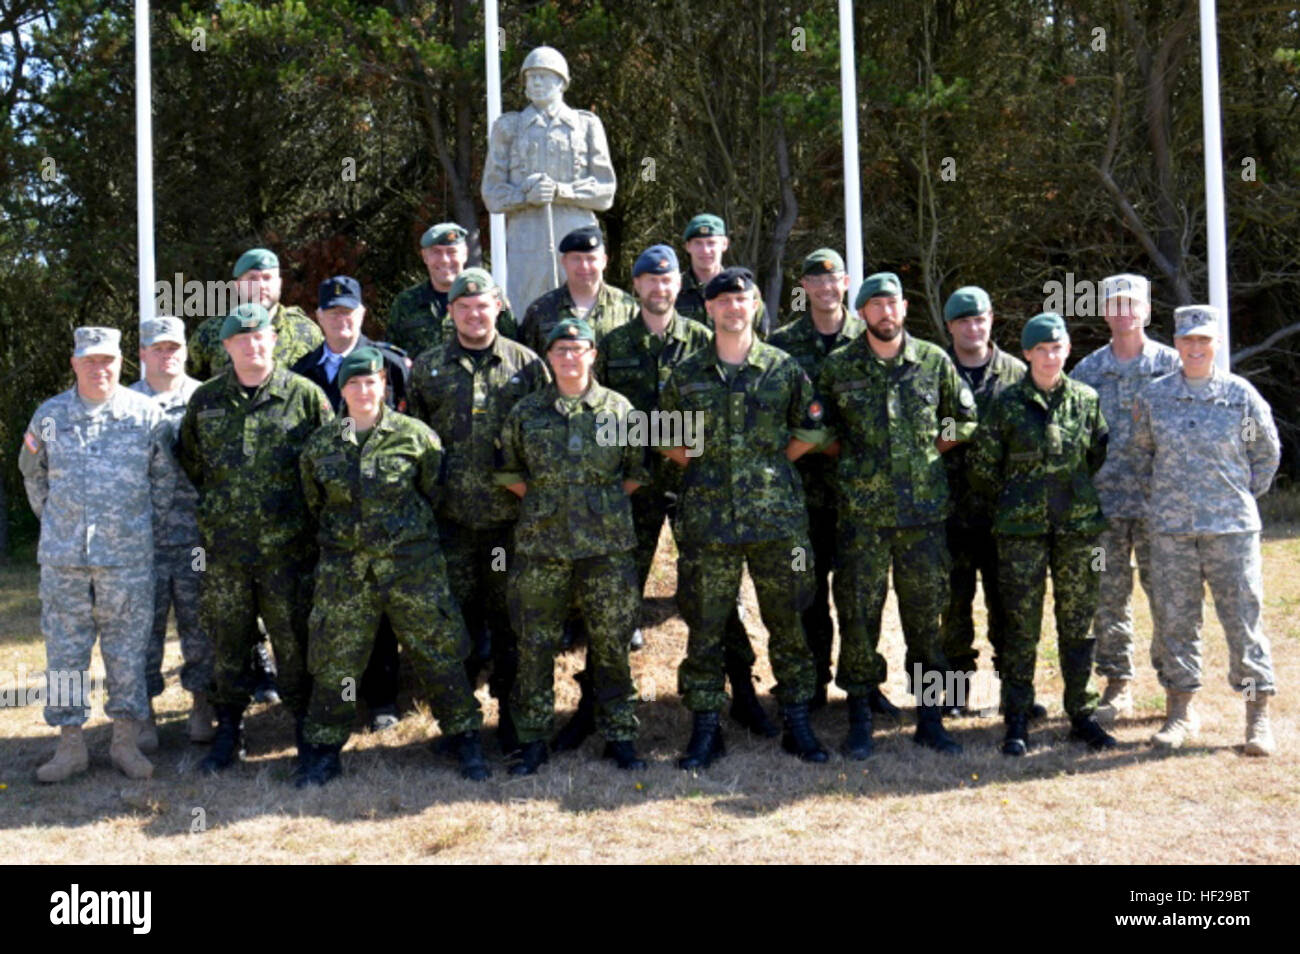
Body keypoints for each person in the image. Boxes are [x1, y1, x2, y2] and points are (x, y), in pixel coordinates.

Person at [592, 244, 775, 738]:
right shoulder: (611, 346)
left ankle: (743, 691)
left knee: (709, 596)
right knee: (615, 596)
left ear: (679, 285)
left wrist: (648, 429)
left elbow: (710, 426)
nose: (658, 287)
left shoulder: (702, 339)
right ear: (635, 286)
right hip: (632, 488)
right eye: (648, 280)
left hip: (698, 487)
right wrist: (653, 436)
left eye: (666, 279)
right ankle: (600, 703)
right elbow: (602, 422)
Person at [659, 266, 830, 769]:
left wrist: (771, 465)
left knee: (789, 621)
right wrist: (710, 467)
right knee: (706, 627)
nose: (734, 307)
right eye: (724, 300)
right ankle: (705, 729)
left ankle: (797, 722)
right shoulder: (686, 375)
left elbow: (814, 430)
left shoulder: (783, 369)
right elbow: (666, 437)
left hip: (777, 523)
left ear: (756, 305)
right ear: (708, 309)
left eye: (743, 299)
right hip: (709, 525)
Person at [296, 348, 489, 785]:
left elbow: (436, 493)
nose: (364, 390)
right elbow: (314, 504)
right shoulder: (321, 445)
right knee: (336, 664)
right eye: (354, 382)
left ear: (384, 384)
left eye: (372, 381)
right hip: (346, 576)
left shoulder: (417, 437)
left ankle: (465, 738)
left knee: (439, 655)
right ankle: (324, 749)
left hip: (413, 570)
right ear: (341, 389)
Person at [816, 272, 976, 758]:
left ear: (905, 308)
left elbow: (963, 417)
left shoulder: (932, 361)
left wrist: (932, 448)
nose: (886, 312)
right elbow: (823, 430)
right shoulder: (840, 367)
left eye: (893, 304)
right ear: (862, 312)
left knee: (926, 619)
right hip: (862, 520)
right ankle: (860, 718)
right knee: (859, 618)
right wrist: (860, 466)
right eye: (876, 305)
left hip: (923, 518)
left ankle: (931, 719)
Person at [177, 304, 333, 773]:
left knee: (295, 645)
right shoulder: (205, 402)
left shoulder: (304, 397)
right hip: (225, 554)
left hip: (289, 554)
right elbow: (193, 462)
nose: (251, 345)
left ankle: (307, 732)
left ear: (273, 340)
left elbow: (326, 464)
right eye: (240, 339)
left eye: (259, 336)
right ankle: (229, 733)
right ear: (226, 347)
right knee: (228, 644)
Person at [19, 327, 175, 781]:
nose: (98, 367)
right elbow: (32, 473)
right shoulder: (49, 415)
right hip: (64, 560)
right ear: (74, 363)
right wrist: (55, 520)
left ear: (121, 361)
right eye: (89, 360)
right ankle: (70, 747)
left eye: (106, 359)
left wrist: (137, 527)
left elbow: (164, 482)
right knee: (65, 651)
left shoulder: (145, 415)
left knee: (127, 650)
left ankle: (124, 742)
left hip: (126, 559)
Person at [407, 268, 551, 754]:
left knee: (510, 621)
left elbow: (545, 438)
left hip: (507, 527)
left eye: (482, 304)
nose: (473, 314)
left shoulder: (528, 366)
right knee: (454, 626)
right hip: (452, 525)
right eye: (463, 307)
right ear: (450, 313)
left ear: (498, 307)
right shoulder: (426, 368)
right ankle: (461, 726)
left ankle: (513, 720)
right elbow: (415, 445)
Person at [496, 319, 649, 775]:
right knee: (536, 647)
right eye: (559, 350)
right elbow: (508, 472)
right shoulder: (526, 412)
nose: (568, 357)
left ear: (592, 354)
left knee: (611, 645)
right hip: (542, 549)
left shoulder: (619, 410)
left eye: (577, 348)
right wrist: (551, 502)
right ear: (548, 357)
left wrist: (594, 507)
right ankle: (533, 741)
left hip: (607, 550)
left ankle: (620, 735)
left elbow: (637, 471)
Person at [1132, 305, 1281, 756]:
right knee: (1175, 622)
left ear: (1216, 344)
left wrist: (1235, 496)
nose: (1195, 348)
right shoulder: (1153, 398)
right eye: (1188, 340)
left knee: (1243, 623)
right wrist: (1168, 502)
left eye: (1204, 340)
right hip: (1172, 532)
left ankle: (1257, 720)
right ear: (1176, 343)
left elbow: (1265, 455)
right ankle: (1180, 713)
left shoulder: (1241, 398)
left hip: (1231, 531)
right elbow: (1143, 458)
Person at [968, 312, 1117, 755]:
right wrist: (1019, 501)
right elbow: (983, 468)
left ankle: (1081, 714)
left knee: (1078, 624)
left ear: (1067, 350)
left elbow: (1095, 454)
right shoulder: (1007, 404)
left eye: (1057, 348)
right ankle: (1017, 716)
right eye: (1041, 349)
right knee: (1019, 625)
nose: (1050, 356)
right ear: (1028, 354)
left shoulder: (1086, 400)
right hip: (1021, 534)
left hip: (1077, 531)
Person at [768, 249, 896, 716]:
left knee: (862, 592)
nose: (825, 288)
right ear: (803, 286)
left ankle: (864, 681)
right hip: (801, 496)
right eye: (815, 280)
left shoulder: (872, 340)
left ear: (845, 284)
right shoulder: (781, 345)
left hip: (858, 496)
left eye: (833, 279)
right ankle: (812, 680)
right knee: (805, 590)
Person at [291, 275, 411, 732]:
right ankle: (337, 698)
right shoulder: (302, 374)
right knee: (335, 612)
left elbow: (414, 433)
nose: (341, 320)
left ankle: (382, 700)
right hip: (332, 514)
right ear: (318, 317)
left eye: (349, 311)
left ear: (362, 314)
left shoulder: (393, 365)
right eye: (332, 312)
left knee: (382, 611)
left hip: (387, 513)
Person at [1070, 274, 1181, 724]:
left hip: (1163, 509)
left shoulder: (1174, 366)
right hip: (1105, 510)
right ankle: (1117, 684)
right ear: (1104, 313)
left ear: (1148, 311)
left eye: (1132, 304)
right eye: (1115, 304)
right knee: (1107, 598)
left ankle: (1177, 687)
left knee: (1170, 599)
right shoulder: (1087, 372)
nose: (1124, 312)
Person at [935, 286, 1030, 718]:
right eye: (964, 321)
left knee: (1010, 608)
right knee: (947, 610)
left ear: (991, 319)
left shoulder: (1016, 372)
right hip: (945, 513)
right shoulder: (934, 370)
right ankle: (947, 696)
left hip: (1004, 515)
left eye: (981, 318)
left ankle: (1016, 694)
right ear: (950, 326)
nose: (974, 327)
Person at [481, 46, 616, 320]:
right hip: (526, 241)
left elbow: (606, 192)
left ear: (562, 82)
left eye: (544, 76)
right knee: (528, 314)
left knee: (583, 316)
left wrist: (560, 191)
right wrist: (524, 196)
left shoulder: (586, 125)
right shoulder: (508, 128)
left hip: (577, 235)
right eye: (531, 77)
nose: (537, 83)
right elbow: (492, 194)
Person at [129, 316, 215, 746]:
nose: (168, 355)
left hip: (196, 538)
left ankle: (202, 703)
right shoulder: (123, 404)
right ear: (142, 353)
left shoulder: (207, 399)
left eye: (174, 347)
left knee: (198, 622)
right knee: (144, 627)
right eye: (158, 348)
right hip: (142, 539)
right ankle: (142, 713)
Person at [187, 247, 323, 381]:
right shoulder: (211, 331)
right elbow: (189, 386)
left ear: (279, 284)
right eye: (252, 278)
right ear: (238, 286)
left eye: (267, 278)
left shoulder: (306, 332)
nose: (261, 285)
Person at [385, 222, 518, 358]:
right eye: (436, 252)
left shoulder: (492, 297)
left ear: (465, 254)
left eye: (452, 252)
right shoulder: (405, 303)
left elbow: (513, 347)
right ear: (425, 256)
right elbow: (393, 355)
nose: (444, 260)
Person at [518, 225, 637, 353]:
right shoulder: (540, 310)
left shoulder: (626, 307)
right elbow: (525, 363)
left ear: (604, 261)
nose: (584, 266)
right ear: (564, 262)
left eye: (591, 259)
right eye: (576, 259)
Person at [674, 214, 770, 337]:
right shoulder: (674, 289)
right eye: (698, 243)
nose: (705, 250)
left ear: (724, 244)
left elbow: (761, 338)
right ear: (688, 246)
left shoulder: (744, 289)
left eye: (711, 243)